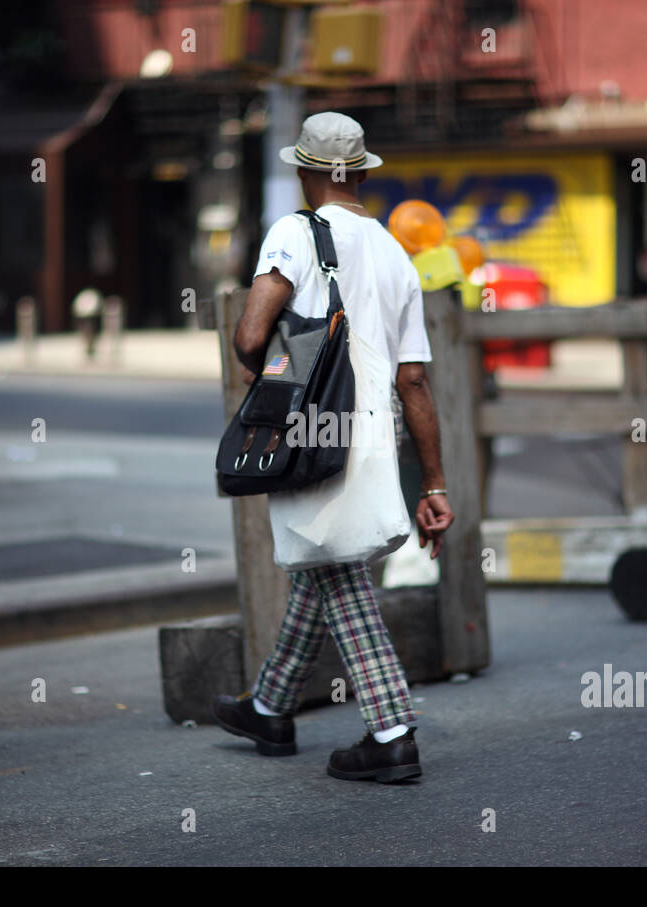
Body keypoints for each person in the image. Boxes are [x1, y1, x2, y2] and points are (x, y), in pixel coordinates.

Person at [211, 112, 453, 783]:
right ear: (361, 173)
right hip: (377, 431)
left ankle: (393, 729)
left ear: (305, 171)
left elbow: (251, 336)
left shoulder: (295, 231)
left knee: (336, 570)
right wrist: (433, 485)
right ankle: (269, 706)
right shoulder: (397, 255)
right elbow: (415, 380)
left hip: (315, 427)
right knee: (323, 560)